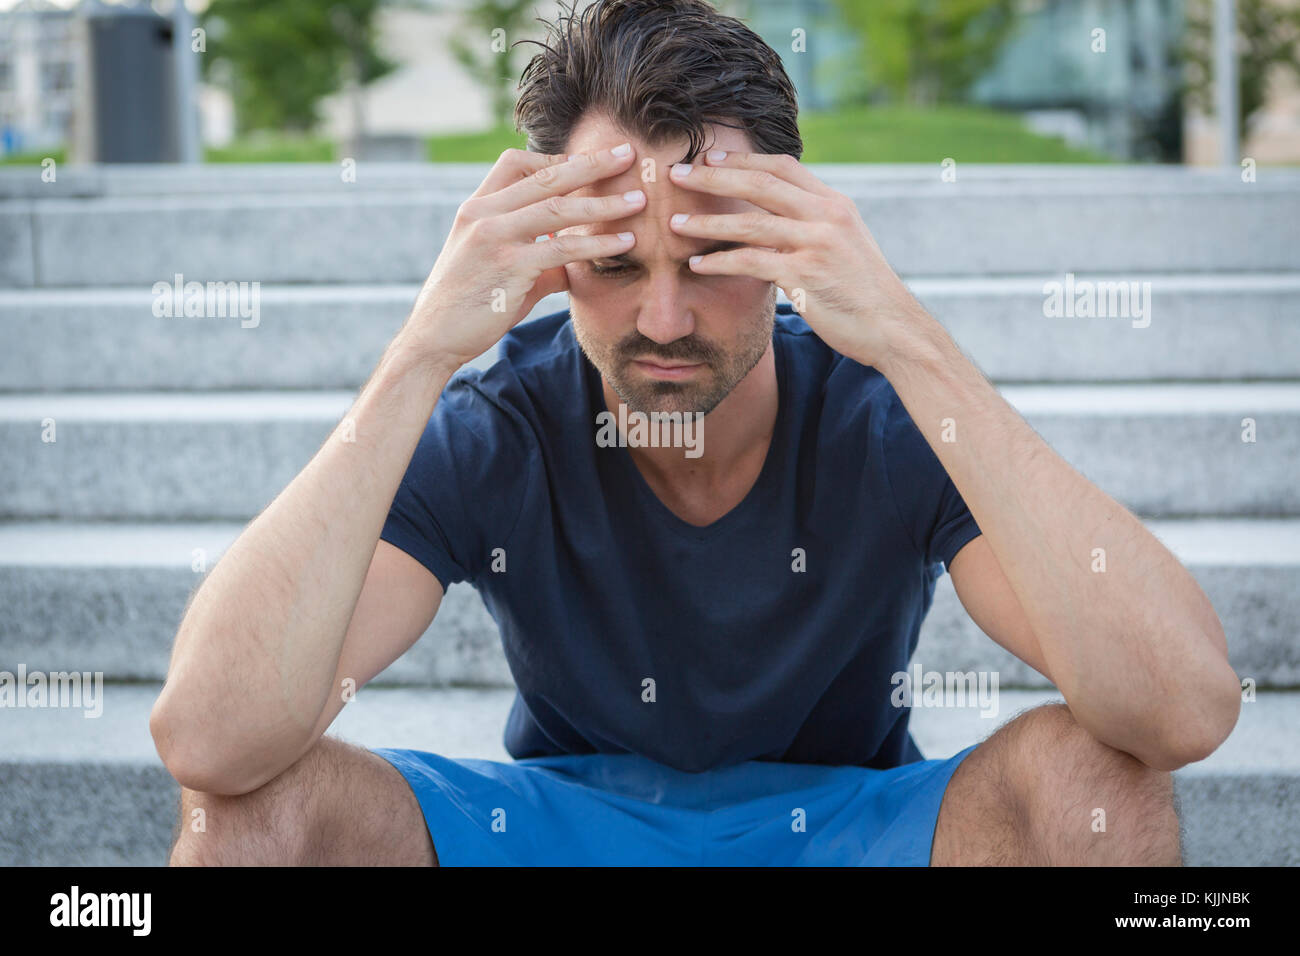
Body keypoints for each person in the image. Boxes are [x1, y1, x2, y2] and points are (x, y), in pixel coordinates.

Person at [152, 0, 1240, 866]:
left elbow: (1179, 708)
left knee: (1095, 780)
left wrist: (908, 336)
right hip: (565, 825)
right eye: (616, 266)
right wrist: (420, 352)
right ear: (552, 256)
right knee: (253, 811)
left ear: (782, 243)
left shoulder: (890, 416)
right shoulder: (496, 426)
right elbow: (211, 739)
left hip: (854, 824)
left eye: (711, 262)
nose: (663, 322)